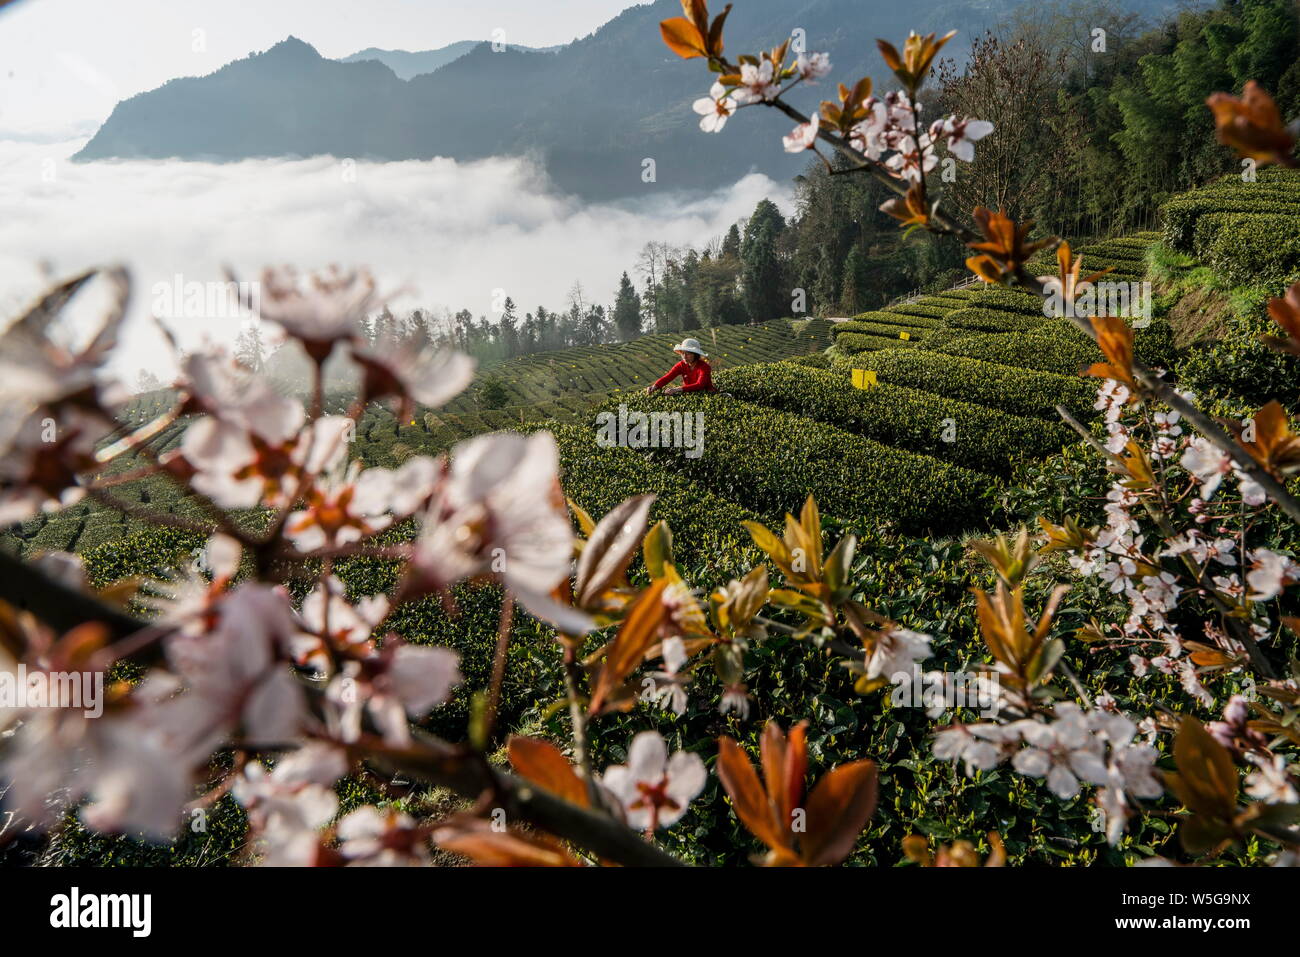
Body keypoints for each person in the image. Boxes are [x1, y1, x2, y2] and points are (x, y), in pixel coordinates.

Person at [646, 338, 715, 395]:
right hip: (688, 394)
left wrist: (677, 389)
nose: (684, 356)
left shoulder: (704, 367)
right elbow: (668, 377)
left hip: (707, 394)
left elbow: (700, 385)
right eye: (683, 353)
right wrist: (654, 386)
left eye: (687, 354)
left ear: (695, 355)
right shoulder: (681, 365)